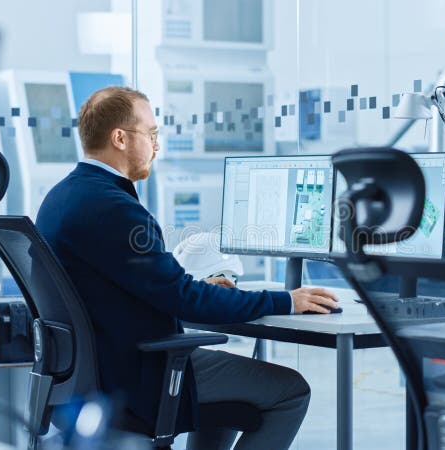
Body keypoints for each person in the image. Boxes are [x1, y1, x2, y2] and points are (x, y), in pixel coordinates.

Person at [36, 86, 339, 450]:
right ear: (119, 138)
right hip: (139, 374)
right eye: (150, 134)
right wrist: (286, 301)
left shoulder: (61, 198)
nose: (156, 145)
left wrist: (197, 286)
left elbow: (130, 288)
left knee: (231, 392)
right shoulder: (114, 207)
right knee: (291, 391)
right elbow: (185, 300)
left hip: (97, 370)